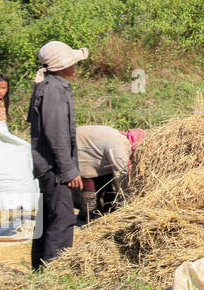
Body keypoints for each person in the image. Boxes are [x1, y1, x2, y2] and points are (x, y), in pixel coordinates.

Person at [27, 42, 87, 269]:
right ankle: (54, 273)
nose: (76, 67)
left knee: (48, 218)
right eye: (72, 62)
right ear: (62, 66)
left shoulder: (54, 85)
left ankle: (40, 271)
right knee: (63, 219)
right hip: (53, 168)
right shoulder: (52, 90)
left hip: (50, 166)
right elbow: (56, 134)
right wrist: (69, 170)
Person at [74, 125, 145, 219]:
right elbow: (121, 175)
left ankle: (103, 208)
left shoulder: (121, 139)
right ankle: (88, 213)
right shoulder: (119, 148)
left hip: (88, 144)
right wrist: (126, 199)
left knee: (105, 175)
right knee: (88, 179)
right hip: (78, 146)